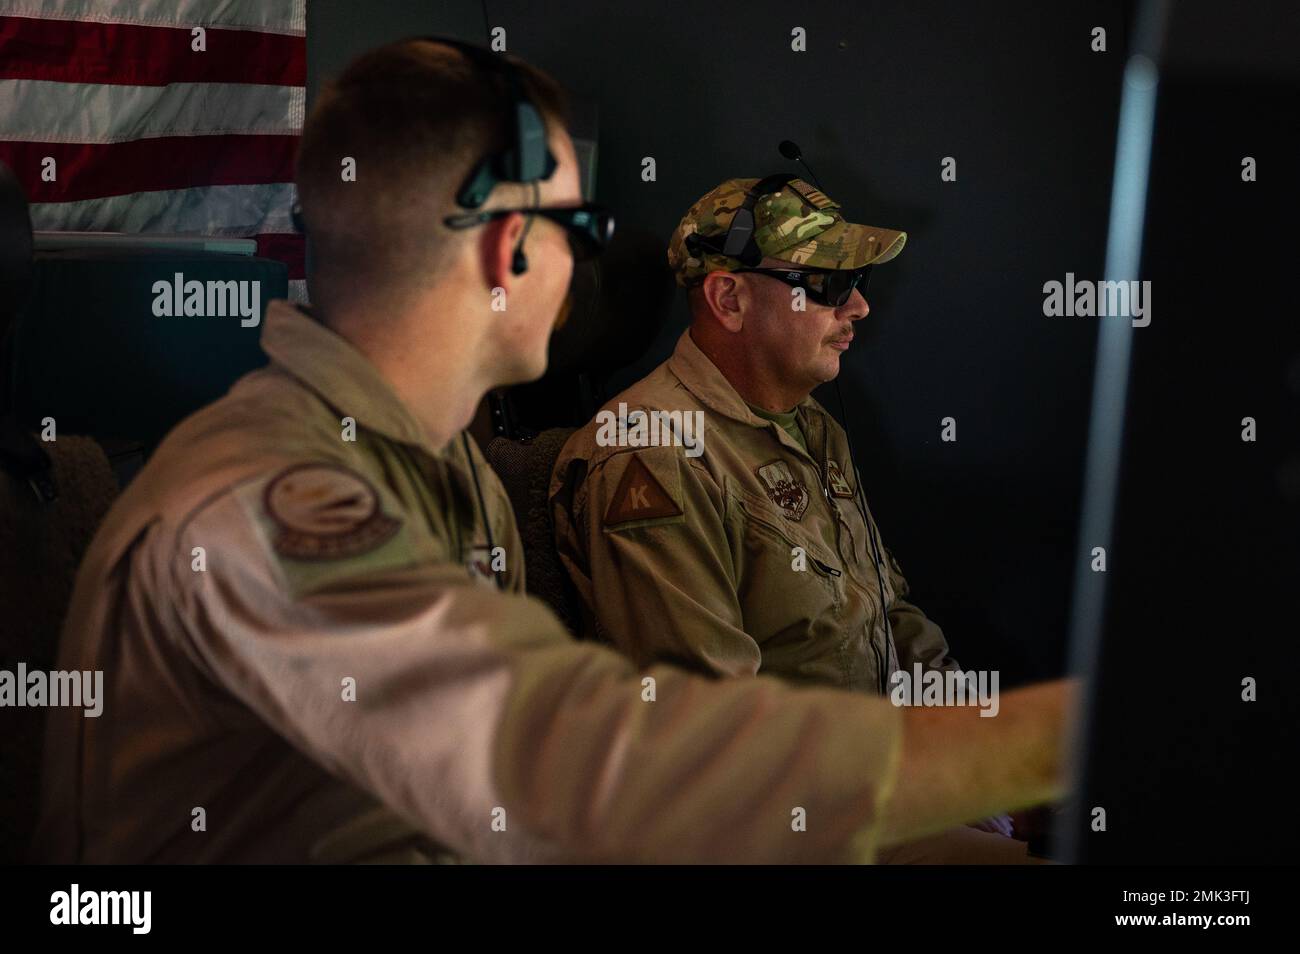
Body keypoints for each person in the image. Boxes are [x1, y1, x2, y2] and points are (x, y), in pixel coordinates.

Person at [32, 37, 1071, 864]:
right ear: (506, 245)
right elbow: (573, 762)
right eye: (581, 219)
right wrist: (1044, 742)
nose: (586, 257)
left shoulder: (443, 464)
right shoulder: (274, 497)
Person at [549, 176, 1030, 860]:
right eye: (828, 283)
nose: (859, 305)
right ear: (729, 298)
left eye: (856, 278)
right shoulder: (653, 456)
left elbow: (888, 618)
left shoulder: (812, 427)